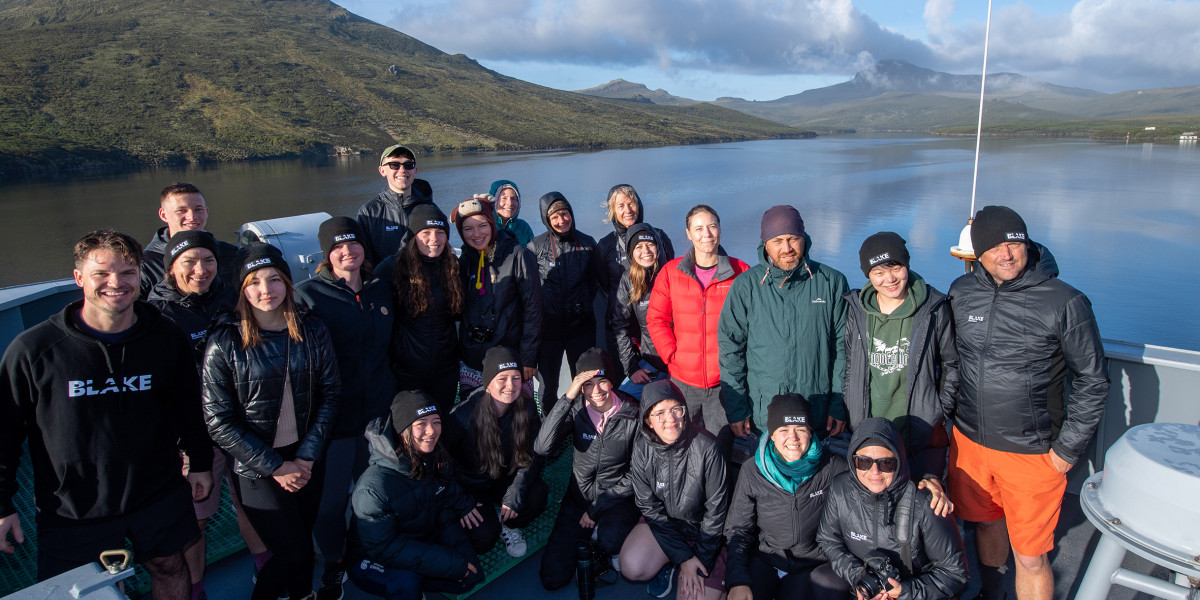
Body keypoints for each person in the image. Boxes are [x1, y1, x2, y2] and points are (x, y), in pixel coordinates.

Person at [0, 230, 213, 600]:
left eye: (128, 272)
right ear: (79, 277)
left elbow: (187, 408)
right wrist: (3, 504)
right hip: (73, 504)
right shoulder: (34, 350)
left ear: (140, 275)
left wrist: (200, 462)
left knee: (170, 565)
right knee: (79, 588)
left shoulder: (165, 337)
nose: (116, 283)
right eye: (101, 273)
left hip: (156, 489)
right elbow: (4, 431)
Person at [947, 206, 1108, 600]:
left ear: (1027, 243)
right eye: (994, 247)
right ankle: (991, 593)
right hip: (969, 442)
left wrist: (1066, 451)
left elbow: (1092, 380)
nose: (1006, 254)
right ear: (978, 253)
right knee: (985, 525)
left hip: (1031, 452)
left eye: (1014, 243)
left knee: (1031, 555)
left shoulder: (1064, 301)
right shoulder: (962, 292)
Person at [202, 243, 341, 600]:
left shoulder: (312, 330)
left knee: (303, 542)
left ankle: (302, 595)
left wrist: (307, 456)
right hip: (258, 468)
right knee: (292, 553)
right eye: (254, 282)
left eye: (275, 279)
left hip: (307, 459)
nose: (266, 290)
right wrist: (277, 466)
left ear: (287, 283)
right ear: (242, 289)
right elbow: (218, 420)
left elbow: (330, 394)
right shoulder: (225, 342)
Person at [294, 217, 397, 600]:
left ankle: (368, 551)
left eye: (353, 243)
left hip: (378, 417)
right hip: (333, 422)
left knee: (377, 496)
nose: (347, 251)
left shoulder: (380, 290)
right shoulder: (308, 297)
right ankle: (334, 562)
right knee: (329, 504)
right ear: (326, 254)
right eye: (337, 246)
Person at [147, 230, 253, 600]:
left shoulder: (230, 297)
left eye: (208, 260)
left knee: (250, 504)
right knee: (195, 519)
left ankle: (266, 568)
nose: (200, 269)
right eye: (189, 261)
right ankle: (194, 589)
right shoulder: (157, 316)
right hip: (193, 435)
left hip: (240, 423)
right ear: (170, 268)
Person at [719, 205, 849, 440]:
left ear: (804, 238)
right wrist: (737, 409)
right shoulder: (747, 286)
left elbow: (843, 349)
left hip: (815, 411)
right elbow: (731, 351)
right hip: (764, 414)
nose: (787, 248)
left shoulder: (831, 282)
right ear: (765, 244)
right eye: (777, 241)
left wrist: (838, 404)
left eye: (793, 239)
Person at [347, 391, 484, 600]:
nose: (431, 431)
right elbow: (384, 548)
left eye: (436, 422)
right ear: (402, 430)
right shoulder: (373, 487)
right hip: (372, 557)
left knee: (466, 578)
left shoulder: (434, 458)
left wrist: (463, 559)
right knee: (407, 581)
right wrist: (450, 564)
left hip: (415, 538)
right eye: (421, 424)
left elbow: (443, 511)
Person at [843, 232, 959, 479]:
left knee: (921, 496)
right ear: (868, 275)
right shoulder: (858, 310)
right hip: (869, 429)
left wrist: (939, 410)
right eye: (879, 272)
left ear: (906, 265)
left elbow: (952, 364)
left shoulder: (933, 309)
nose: (889, 279)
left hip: (921, 431)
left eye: (896, 268)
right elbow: (851, 363)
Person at [817, 418, 968, 600]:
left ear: (899, 461)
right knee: (821, 580)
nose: (875, 471)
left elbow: (954, 572)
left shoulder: (926, 502)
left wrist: (906, 591)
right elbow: (828, 540)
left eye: (886, 463)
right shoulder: (840, 489)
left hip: (914, 591)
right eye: (864, 462)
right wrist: (858, 576)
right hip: (867, 587)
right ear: (853, 461)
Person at [724, 394, 851, 600]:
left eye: (800, 429)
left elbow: (867, 486)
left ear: (810, 432)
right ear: (772, 435)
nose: (793, 438)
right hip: (767, 558)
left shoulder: (832, 467)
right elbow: (738, 529)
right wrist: (738, 580)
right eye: (783, 430)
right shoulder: (753, 471)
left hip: (812, 562)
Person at [534, 348, 641, 591]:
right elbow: (542, 447)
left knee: (611, 539)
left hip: (615, 499)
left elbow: (638, 473)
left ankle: (606, 538)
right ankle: (591, 535)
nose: (596, 391)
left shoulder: (633, 413)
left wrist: (596, 509)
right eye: (587, 384)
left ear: (611, 381)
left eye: (602, 381)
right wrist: (567, 398)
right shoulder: (576, 410)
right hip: (578, 500)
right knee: (552, 578)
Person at [620, 380, 729, 600]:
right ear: (648, 421)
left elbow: (716, 514)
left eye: (676, 409)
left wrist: (699, 560)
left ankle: (720, 583)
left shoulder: (708, 448)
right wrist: (683, 557)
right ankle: (672, 563)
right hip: (668, 525)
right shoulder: (641, 448)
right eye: (659, 413)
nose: (670, 419)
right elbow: (649, 508)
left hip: (706, 534)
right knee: (632, 566)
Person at [646, 205, 749, 434]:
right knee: (682, 441)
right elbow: (656, 319)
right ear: (689, 234)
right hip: (682, 381)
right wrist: (671, 354)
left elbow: (753, 325)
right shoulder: (671, 272)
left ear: (720, 229)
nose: (707, 234)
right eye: (699, 228)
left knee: (720, 444)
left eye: (712, 226)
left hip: (724, 382)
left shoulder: (740, 272)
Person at [443, 346, 549, 558]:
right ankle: (489, 520)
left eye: (516, 378)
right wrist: (462, 501)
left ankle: (507, 523)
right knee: (483, 539)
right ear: (488, 383)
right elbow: (441, 463)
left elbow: (533, 455)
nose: (510, 385)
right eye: (502, 378)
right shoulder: (461, 416)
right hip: (471, 485)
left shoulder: (527, 408)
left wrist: (515, 492)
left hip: (505, 477)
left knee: (537, 495)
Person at [451, 196, 542, 393]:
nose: (476, 234)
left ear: (492, 224)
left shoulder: (518, 255)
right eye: (468, 228)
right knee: (474, 410)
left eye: (482, 225)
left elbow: (533, 310)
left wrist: (528, 357)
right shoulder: (465, 261)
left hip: (509, 358)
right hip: (472, 360)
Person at [528, 191, 603, 404]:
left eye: (565, 213)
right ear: (547, 220)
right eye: (555, 217)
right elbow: (531, 289)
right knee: (547, 386)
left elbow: (595, 281)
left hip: (581, 327)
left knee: (585, 381)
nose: (561, 220)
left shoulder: (588, 243)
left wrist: (582, 305)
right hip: (549, 329)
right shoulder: (535, 246)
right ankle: (550, 423)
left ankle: (582, 420)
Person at [385, 204, 463, 410]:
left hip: (446, 368)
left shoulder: (453, 266)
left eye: (440, 232)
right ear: (413, 237)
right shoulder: (393, 267)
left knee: (442, 420)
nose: (434, 239)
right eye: (426, 232)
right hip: (407, 370)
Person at [596, 184, 676, 382]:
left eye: (631, 203)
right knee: (626, 380)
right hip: (622, 326)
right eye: (620, 206)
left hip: (657, 325)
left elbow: (671, 273)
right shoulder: (606, 245)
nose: (628, 210)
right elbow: (603, 283)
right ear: (612, 211)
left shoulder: (659, 236)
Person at [140, 182, 239, 299]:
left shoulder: (231, 254)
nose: (192, 217)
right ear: (163, 215)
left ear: (207, 212)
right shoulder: (146, 264)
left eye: (198, 209)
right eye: (181, 210)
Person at [609, 223, 671, 398]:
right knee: (623, 398)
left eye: (650, 244)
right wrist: (632, 368)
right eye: (639, 246)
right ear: (631, 252)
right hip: (653, 361)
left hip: (680, 362)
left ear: (658, 247)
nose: (646, 251)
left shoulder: (672, 273)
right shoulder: (628, 280)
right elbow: (619, 326)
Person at [357, 144, 435, 263]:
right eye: (394, 165)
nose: (402, 170)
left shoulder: (429, 208)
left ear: (415, 170)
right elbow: (365, 259)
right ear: (382, 170)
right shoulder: (369, 213)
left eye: (408, 165)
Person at [491, 179, 535, 246]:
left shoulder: (523, 227)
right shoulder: (486, 227)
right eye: (504, 198)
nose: (510, 203)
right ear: (493, 201)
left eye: (513, 198)